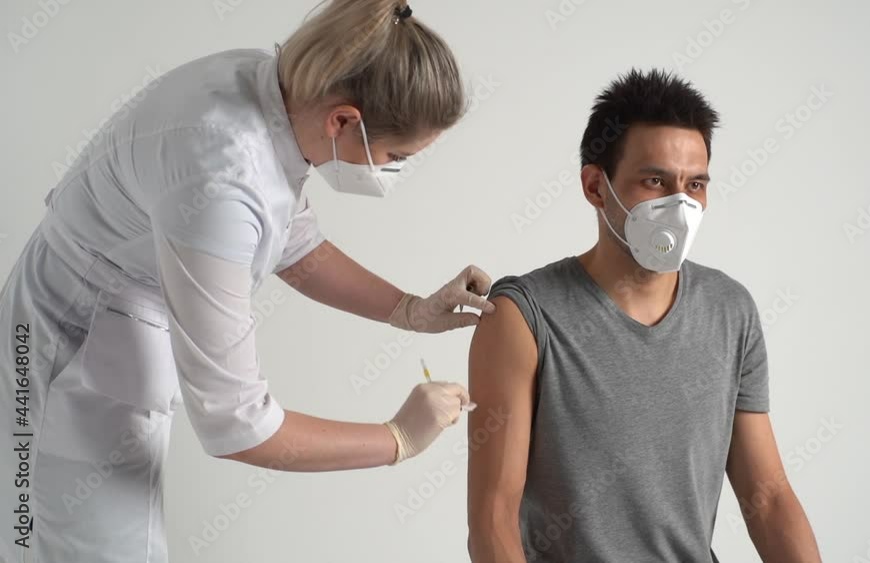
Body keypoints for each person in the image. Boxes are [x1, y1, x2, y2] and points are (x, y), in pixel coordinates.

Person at [0, 1, 493, 561]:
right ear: (343, 121)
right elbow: (239, 428)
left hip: (103, 323)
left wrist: (410, 310)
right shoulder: (220, 179)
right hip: (64, 349)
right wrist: (398, 438)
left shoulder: (273, 90)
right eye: (393, 155)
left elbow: (295, 243)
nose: (391, 169)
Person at [466, 69, 822, 562]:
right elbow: (492, 520)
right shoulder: (523, 317)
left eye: (694, 184)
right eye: (655, 181)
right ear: (595, 186)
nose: (680, 204)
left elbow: (769, 498)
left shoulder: (729, 310)